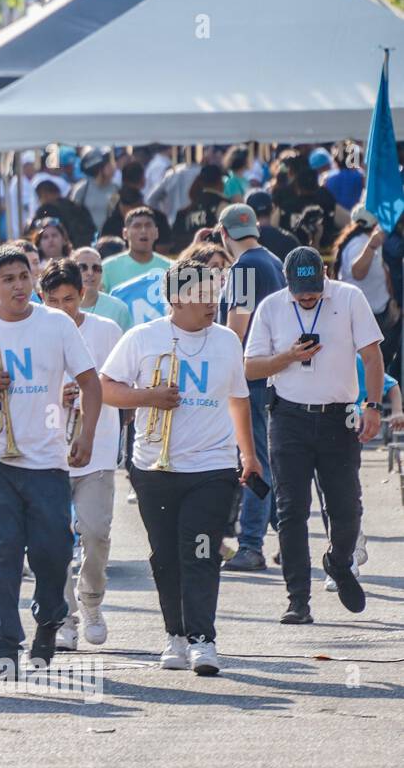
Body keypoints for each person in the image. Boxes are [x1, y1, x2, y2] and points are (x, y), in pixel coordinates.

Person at [0, 245, 102, 676]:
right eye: (8, 279)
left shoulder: (57, 324)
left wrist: (85, 436)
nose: (18, 285)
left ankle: (48, 622)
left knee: (53, 554)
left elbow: (91, 383)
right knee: (2, 556)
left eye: (23, 276)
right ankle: (5, 644)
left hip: (48, 458)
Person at [101, 260, 259, 675]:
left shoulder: (226, 340)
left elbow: (238, 399)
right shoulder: (142, 337)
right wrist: (148, 396)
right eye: (202, 295)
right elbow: (105, 388)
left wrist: (249, 454)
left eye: (215, 294)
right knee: (166, 556)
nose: (212, 303)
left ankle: (204, 640)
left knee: (202, 553)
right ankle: (175, 635)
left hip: (212, 466)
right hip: (154, 466)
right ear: (175, 299)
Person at [243, 247, 385, 625]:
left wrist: (373, 405)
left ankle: (338, 562)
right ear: (286, 282)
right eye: (299, 290)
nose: (307, 296)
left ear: (324, 273)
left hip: (338, 417)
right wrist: (287, 357)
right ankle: (298, 600)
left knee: (346, 509)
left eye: (313, 288)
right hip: (288, 417)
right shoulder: (272, 307)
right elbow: (251, 368)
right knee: (291, 511)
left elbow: (372, 356)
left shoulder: (349, 297)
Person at [37, 259, 123, 650]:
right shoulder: (32, 330)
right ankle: (65, 618)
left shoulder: (106, 330)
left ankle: (91, 602)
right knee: (54, 541)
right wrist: (57, 396)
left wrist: (90, 395)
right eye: (52, 300)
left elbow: (120, 385)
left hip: (98, 449)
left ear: (83, 295)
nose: (61, 308)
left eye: (68, 299)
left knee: (95, 533)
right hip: (45, 451)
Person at [214, 204, 287, 573]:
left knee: (254, 462)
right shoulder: (274, 261)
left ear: (224, 234)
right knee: (265, 459)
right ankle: (288, 539)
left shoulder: (243, 269)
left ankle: (252, 544)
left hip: (251, 378)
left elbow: (234, 330)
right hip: (275, 375)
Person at [333, 207, 399, 376]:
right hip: (365, 317)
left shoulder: (361, 240)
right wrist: (372, 245)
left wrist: (391, 300)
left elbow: (383, 271)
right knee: (368, 365)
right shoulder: (361, 243)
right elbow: (358, 272)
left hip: (375, 315)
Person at [102, 207, 172, 291]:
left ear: (156, 233)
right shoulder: (107, 268)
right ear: (125, 233)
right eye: (137, 226)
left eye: (148, 225)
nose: (143, 231)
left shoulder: (171, 268)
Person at [72, 246, 132, 330]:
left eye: (96, 268)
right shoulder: (61, 305)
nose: (90, 273)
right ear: (70, 271)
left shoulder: (118, 309)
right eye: (82, 267)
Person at [170, 165, 229, 250]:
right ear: (220, 181)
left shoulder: (191, 206)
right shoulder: (222, 204)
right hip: (214, 255)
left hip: (193, 254)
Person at [33, 179, 95, 256]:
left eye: (40, 197)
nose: (40, 201)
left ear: (45, 194)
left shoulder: (46, 210)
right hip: (83, 249)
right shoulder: (77, 207)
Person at [70, 148, 117, 243]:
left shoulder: (115, 189)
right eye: (109, 164)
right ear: (99, 168)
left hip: (108, 240)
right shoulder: (82, 189)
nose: (113, 167)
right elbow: (73, 216)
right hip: (85, 240)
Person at [245, 189, 300, 262]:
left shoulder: (244, 242)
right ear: (273, 209)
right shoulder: (289, 239)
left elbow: (242, 271)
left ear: (248, 212)